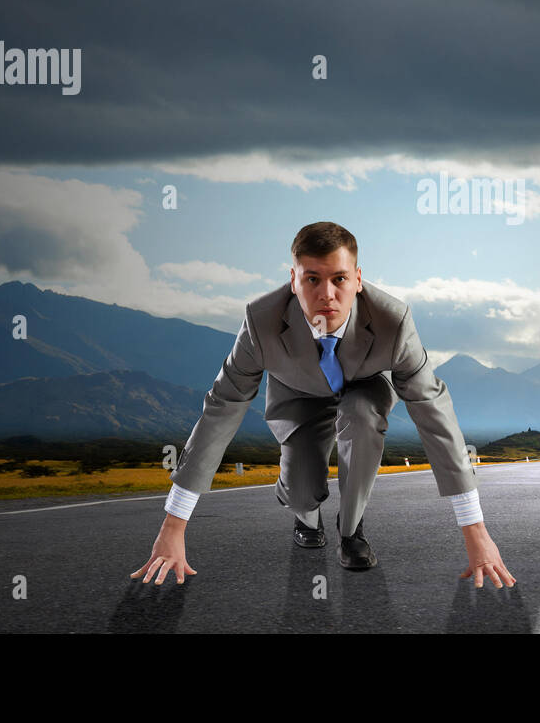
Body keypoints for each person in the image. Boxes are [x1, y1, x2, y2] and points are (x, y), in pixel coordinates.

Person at [130, 221, 516, 590]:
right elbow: (223, 407)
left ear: (358, 280)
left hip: (366, 387)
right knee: (301, 489)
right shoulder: (261, 322)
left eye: (339, 279)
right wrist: (173, 527)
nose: (327, 294)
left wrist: (476, 532)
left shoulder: (394, 321)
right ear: (293, 280)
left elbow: (434, 414)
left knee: (361, 417)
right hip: (297, 393)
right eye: (312, 279)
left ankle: (351, 531)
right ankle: (305, 516)